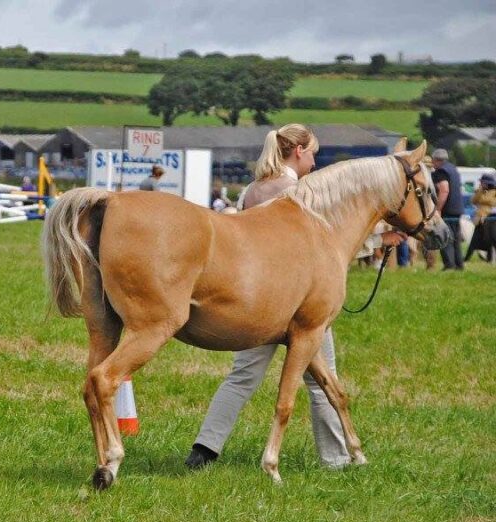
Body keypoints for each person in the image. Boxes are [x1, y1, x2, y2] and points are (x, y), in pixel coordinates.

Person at [185, 124, 406, 471]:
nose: (315, 163)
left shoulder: (252, 190)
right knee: (321, 382)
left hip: (255, 300)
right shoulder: (300, 193)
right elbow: (321, 245)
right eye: (313, 153)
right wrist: (378, 241)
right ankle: (335, 458)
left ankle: (204, 449)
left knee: (241, 377)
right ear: (299, 152)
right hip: (298, 299)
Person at [431, 148, 465, 270]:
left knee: (445, 237)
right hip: (458, 208)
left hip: (447, 209)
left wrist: (438, 208)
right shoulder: (453, 169)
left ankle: (449, 265)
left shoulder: (441, 171)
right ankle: (459, 265)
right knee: (456, 239)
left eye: (433, 161)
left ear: (436, 160)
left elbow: (444, 190)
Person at [464, 173, 496, 263]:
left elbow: (492, 202)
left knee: (491, 239)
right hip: (479, 219)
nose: (481, 184)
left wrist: (482, 198)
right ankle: (466, 258)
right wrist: (479, 192)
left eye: (482, 182)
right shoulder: (480, 191)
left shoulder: (494, 192)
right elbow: (473, 201)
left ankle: (489, 259)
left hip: (490, 219)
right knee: (474, 240)